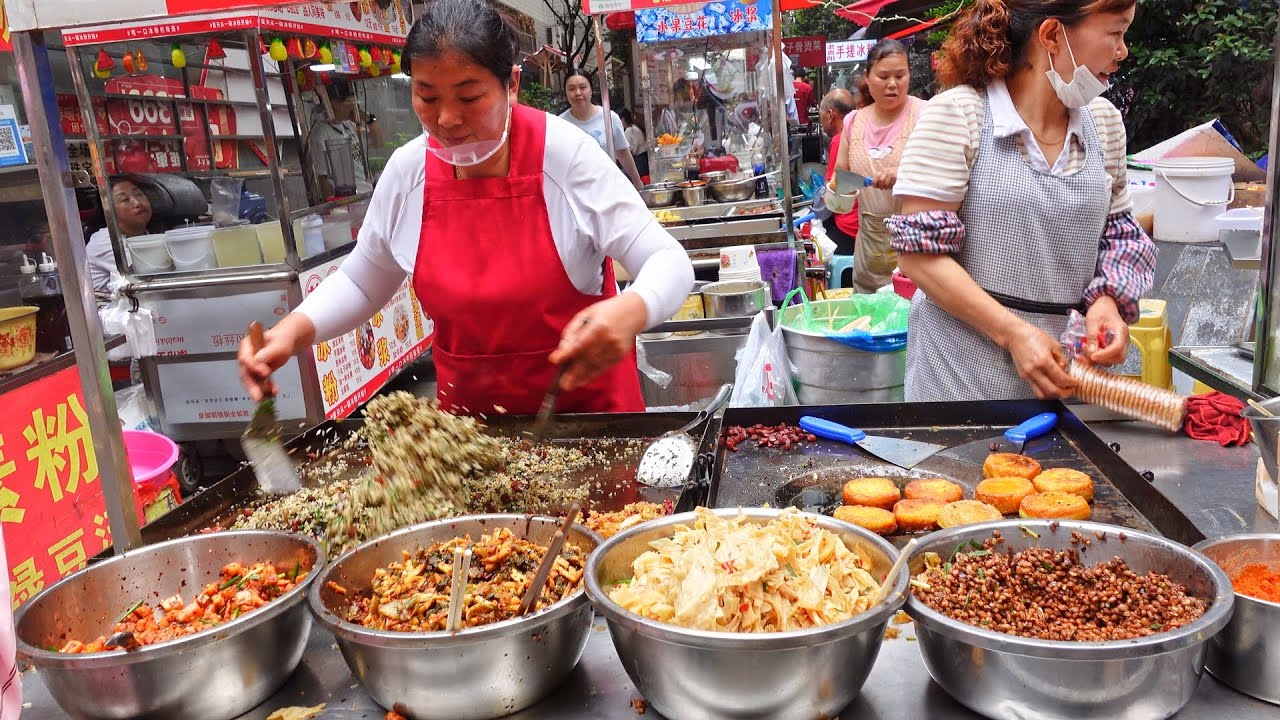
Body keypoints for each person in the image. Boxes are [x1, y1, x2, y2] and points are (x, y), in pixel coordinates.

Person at [239, 0, 694, 417]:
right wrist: (293, 332)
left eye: (469, 97)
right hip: (468, 443)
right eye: (427, 97)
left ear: (511, 85)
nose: (447, 119)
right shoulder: (408, 172)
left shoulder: (566, 156)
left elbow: (666, 260)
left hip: (590, 428)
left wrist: (632, 309)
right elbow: (363, 281)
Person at [885, 0, 1156, 402]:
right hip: (959, 385)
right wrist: (1013, 333)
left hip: (1063, 385)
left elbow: (1119, 235)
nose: (1122, 51)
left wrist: (1106, 300)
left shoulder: (1104, 123)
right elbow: (919, 257)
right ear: (1051, 36)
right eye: (1115, 33)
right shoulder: (958, 114)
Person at [835, 40, 928, 294]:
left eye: (900, 75)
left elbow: (943, 175)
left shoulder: (925, 114)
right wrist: (838, 189)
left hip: (916, 249)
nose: (892, 84)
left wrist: (902, 176)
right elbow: (840, 185)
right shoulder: (854, 121)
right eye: (883, 76)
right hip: (869, 252)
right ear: (867, 77)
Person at [560, 73, 645, 191]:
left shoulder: (609, 117)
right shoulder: (560, 123)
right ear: (566, 92)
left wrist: (637, 182)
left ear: (591, 90)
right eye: (572, 89)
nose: (578, 93)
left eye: (583, 87)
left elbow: (623, 153)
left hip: (608, 188)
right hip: (576, 191)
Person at [86, 177, 153, 293]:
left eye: (138, 194)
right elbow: (148, 272)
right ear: (108, 211)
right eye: (125, 200)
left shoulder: (146, 234)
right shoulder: (104, 240)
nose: (137, 203)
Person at [814, 89, 858, 256]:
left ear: (830, 114)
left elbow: (833, 194)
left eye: (821, 115)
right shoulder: (859, 133)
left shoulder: (839, 140)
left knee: (816, 245)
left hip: (849, 228)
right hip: (862, 223)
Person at [309, 78, 371, 196]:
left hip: (366, 192)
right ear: (335, 103)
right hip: (349, 197)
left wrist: (368, 118)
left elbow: (378, 141)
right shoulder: (321, 134)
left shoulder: (349, 125)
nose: (353, 107)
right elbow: (322, 179)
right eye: (349, 103)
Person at [619, 108, 649, 179]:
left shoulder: (629, 131)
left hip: (638, 162)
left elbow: (629, 151)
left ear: (622, 119)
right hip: (644, 161)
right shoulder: (636, 127)